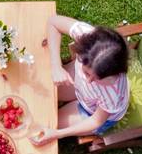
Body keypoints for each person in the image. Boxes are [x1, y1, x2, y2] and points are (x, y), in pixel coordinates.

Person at [31, 15, 130, 146]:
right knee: (39, 91)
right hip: (78, 86)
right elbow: (53, 22)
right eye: (87, 72)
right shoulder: (87, 37)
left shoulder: (113, 93)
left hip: (92, 111)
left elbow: (95, 121)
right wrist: (56, 66)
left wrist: (57, 133)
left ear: (114, 72)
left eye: (97, 78)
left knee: (45, 123)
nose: (89, 81)